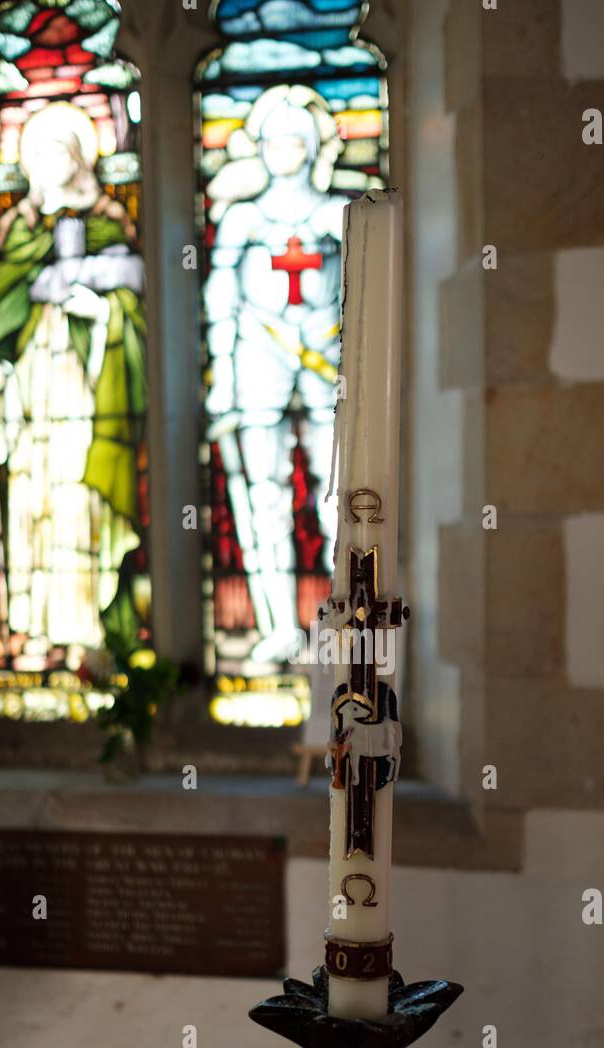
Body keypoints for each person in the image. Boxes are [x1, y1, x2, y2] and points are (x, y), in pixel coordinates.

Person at [0, 100, 147, 668]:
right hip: (31, 385)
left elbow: (131, 290)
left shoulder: (106, 220)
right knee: (31, 492)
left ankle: (84, 627)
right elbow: (0, 307)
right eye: (40, 153)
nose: (51, 163)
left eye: (61, 151)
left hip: (86, 382)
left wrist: (98, 310)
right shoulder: (17, 229)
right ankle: (35, 626)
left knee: (78, 492)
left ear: (79, 158)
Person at [203, 83, 346, 666]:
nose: (284, 151)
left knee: (337, 495)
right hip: (257, 364)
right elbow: (219, 298)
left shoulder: (341, 212)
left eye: (296, 141)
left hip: (327, 363)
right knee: (262, 495)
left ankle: (346, 622)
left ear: (313, 147)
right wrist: (220, 374)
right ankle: (277, 626)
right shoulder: (240, 220)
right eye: (274, 141)